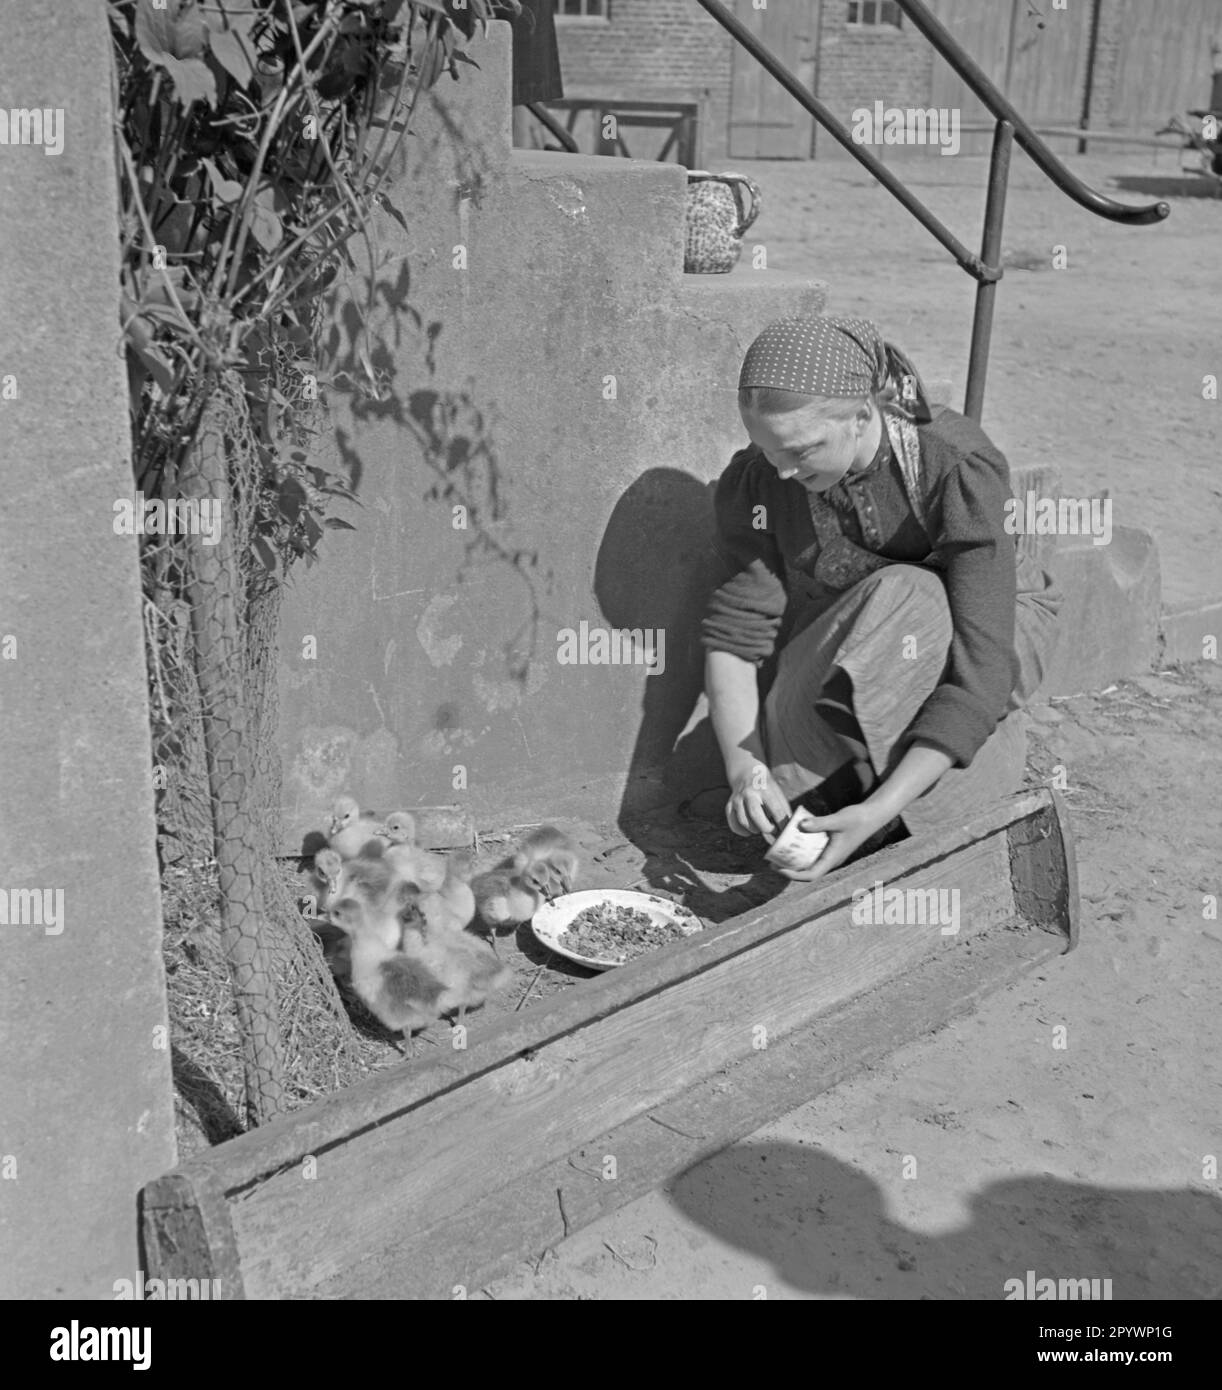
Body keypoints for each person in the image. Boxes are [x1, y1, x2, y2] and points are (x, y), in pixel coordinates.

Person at [702, 315, 1062, 882]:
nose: (783, 471)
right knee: (791, 787)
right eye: (768, 451)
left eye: (801, 450)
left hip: (991, 636)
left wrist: (876, 812)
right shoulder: (762, 481)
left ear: (863, 415)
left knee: (909, 592)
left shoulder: (954, 464)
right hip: (868, 638)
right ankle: (849, 812)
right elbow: (735, 636)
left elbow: (982, 670)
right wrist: (744, 770)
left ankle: (894, 816)